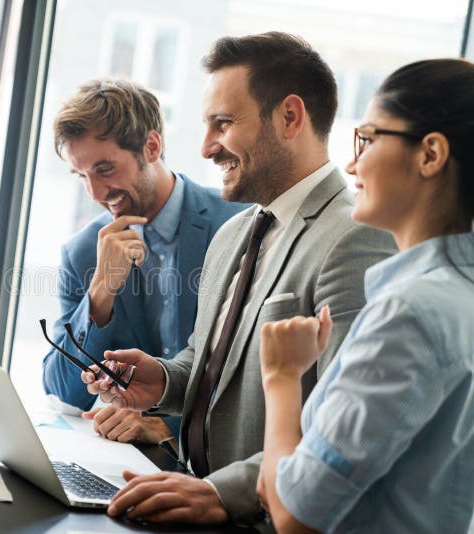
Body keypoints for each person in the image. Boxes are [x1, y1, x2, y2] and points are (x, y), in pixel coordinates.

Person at [82, 32, 396, 527]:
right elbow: (210, 359)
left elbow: (346, 428)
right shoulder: (233, 234)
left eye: (223, 125)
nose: (206, 148)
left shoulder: (359, 235)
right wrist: (163, 379)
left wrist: (218, 493)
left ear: (290, 117)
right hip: (190, 496)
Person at [257, 59, 474, 534]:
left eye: (369, 139)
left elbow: (295, 515)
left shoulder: (411, 311)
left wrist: (281, 377)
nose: (353, 162)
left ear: (431, 154)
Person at [43, 78, 246, 445]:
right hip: (127, 462)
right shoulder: (84, 251)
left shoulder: (238, 222)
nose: (96, 194)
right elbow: (63, 390)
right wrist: (100, 293)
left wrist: (169, 427)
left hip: (217, 461)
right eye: (82, 176)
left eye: (105, 169)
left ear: (152, 146)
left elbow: (250, 374)